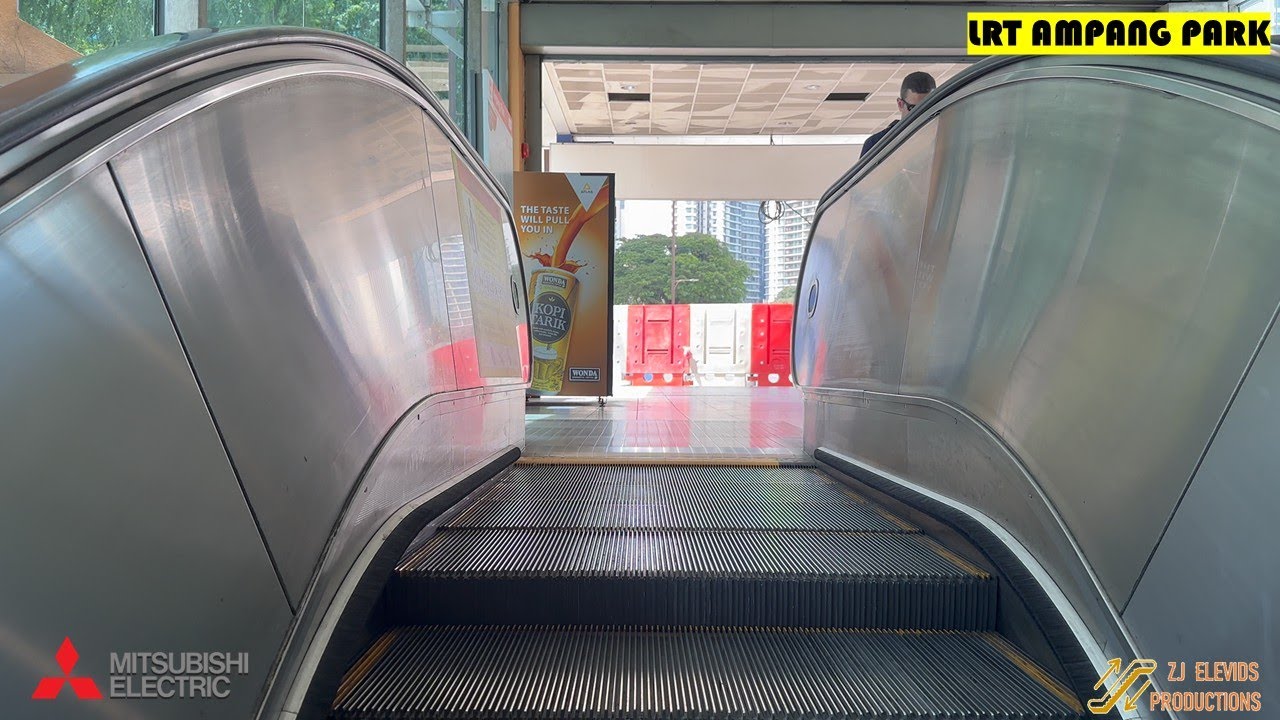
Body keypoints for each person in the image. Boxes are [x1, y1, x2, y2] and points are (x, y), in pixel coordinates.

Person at [859, 71, 936, 159]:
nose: (922, 114)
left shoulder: (946, 138)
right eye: (914, 109)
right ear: (900, 104)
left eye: (929, 107)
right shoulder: (876, 144)